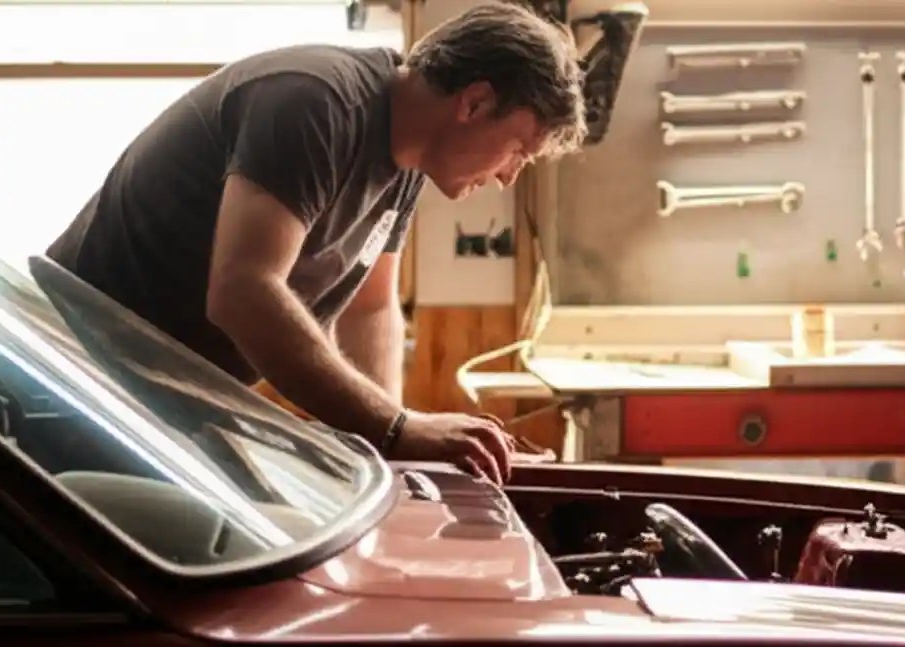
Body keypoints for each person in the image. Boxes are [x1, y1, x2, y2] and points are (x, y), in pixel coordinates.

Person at [44, 1, 587, 485]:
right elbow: (243, 291)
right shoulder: (318, 100)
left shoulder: (406, 164)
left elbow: (372, 307)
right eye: (518, 148)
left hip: (163, 396)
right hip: (72, 380)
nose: (508, 177)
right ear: (473, 103)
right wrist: (397, 428)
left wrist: (392, 449)